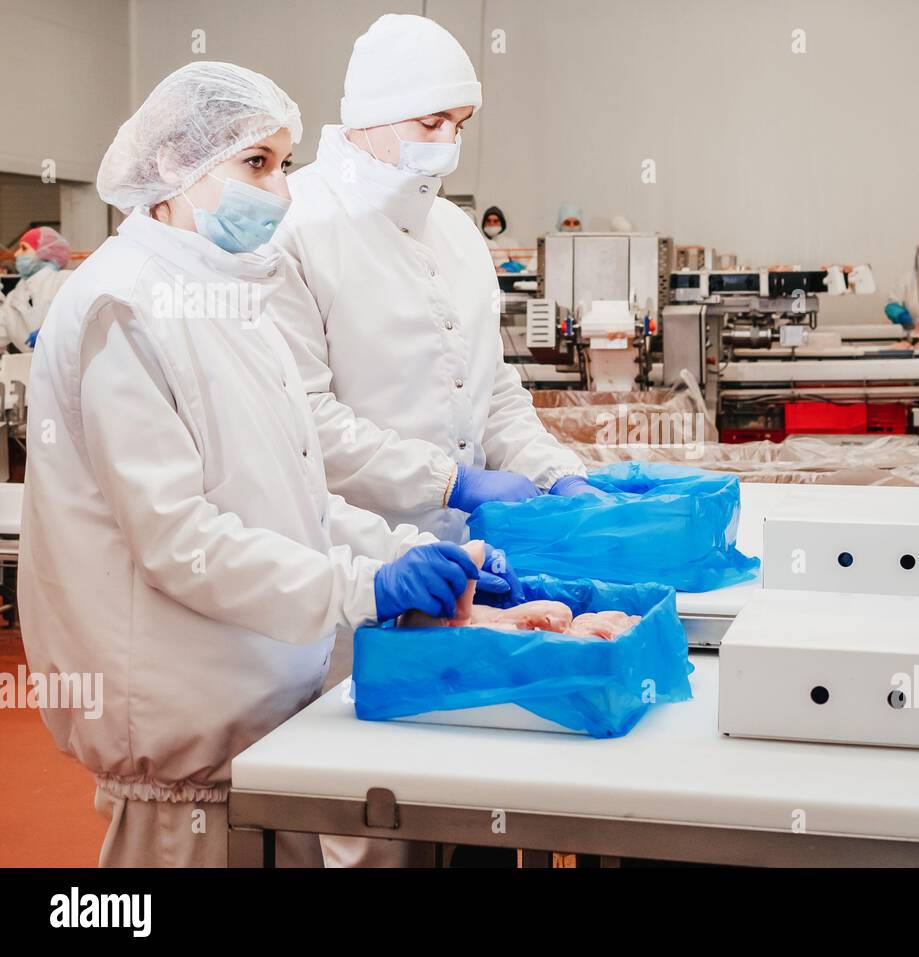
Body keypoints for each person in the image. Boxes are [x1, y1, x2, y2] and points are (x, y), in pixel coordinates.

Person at [18, 61, 509, 868]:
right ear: (174, 167)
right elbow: (179, 539)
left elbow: (294, 496)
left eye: (283, 163)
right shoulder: (123, 305)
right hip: (185, 752)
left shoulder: (229, 301)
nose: (280, 191)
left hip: (265, 725)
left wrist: (402, 553)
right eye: (257, 164)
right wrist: (362, 588)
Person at [272, 13, 601, 556]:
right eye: (432, 122)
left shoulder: (455, 230)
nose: (449, 142)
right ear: (373, 115)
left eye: (461, 124)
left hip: (467, 556)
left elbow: (489, 391)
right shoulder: (295, 225)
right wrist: (450, 482)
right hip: (349, 557)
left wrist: (554, 474)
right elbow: (304, 420)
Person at [0, 226, 73, 350]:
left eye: (24, 248)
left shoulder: (66, 281)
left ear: (44, 251)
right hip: (29, 366)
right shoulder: (13, 297)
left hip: (66, 364)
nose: (16, 254)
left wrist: (55, 332)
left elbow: (82, 318)